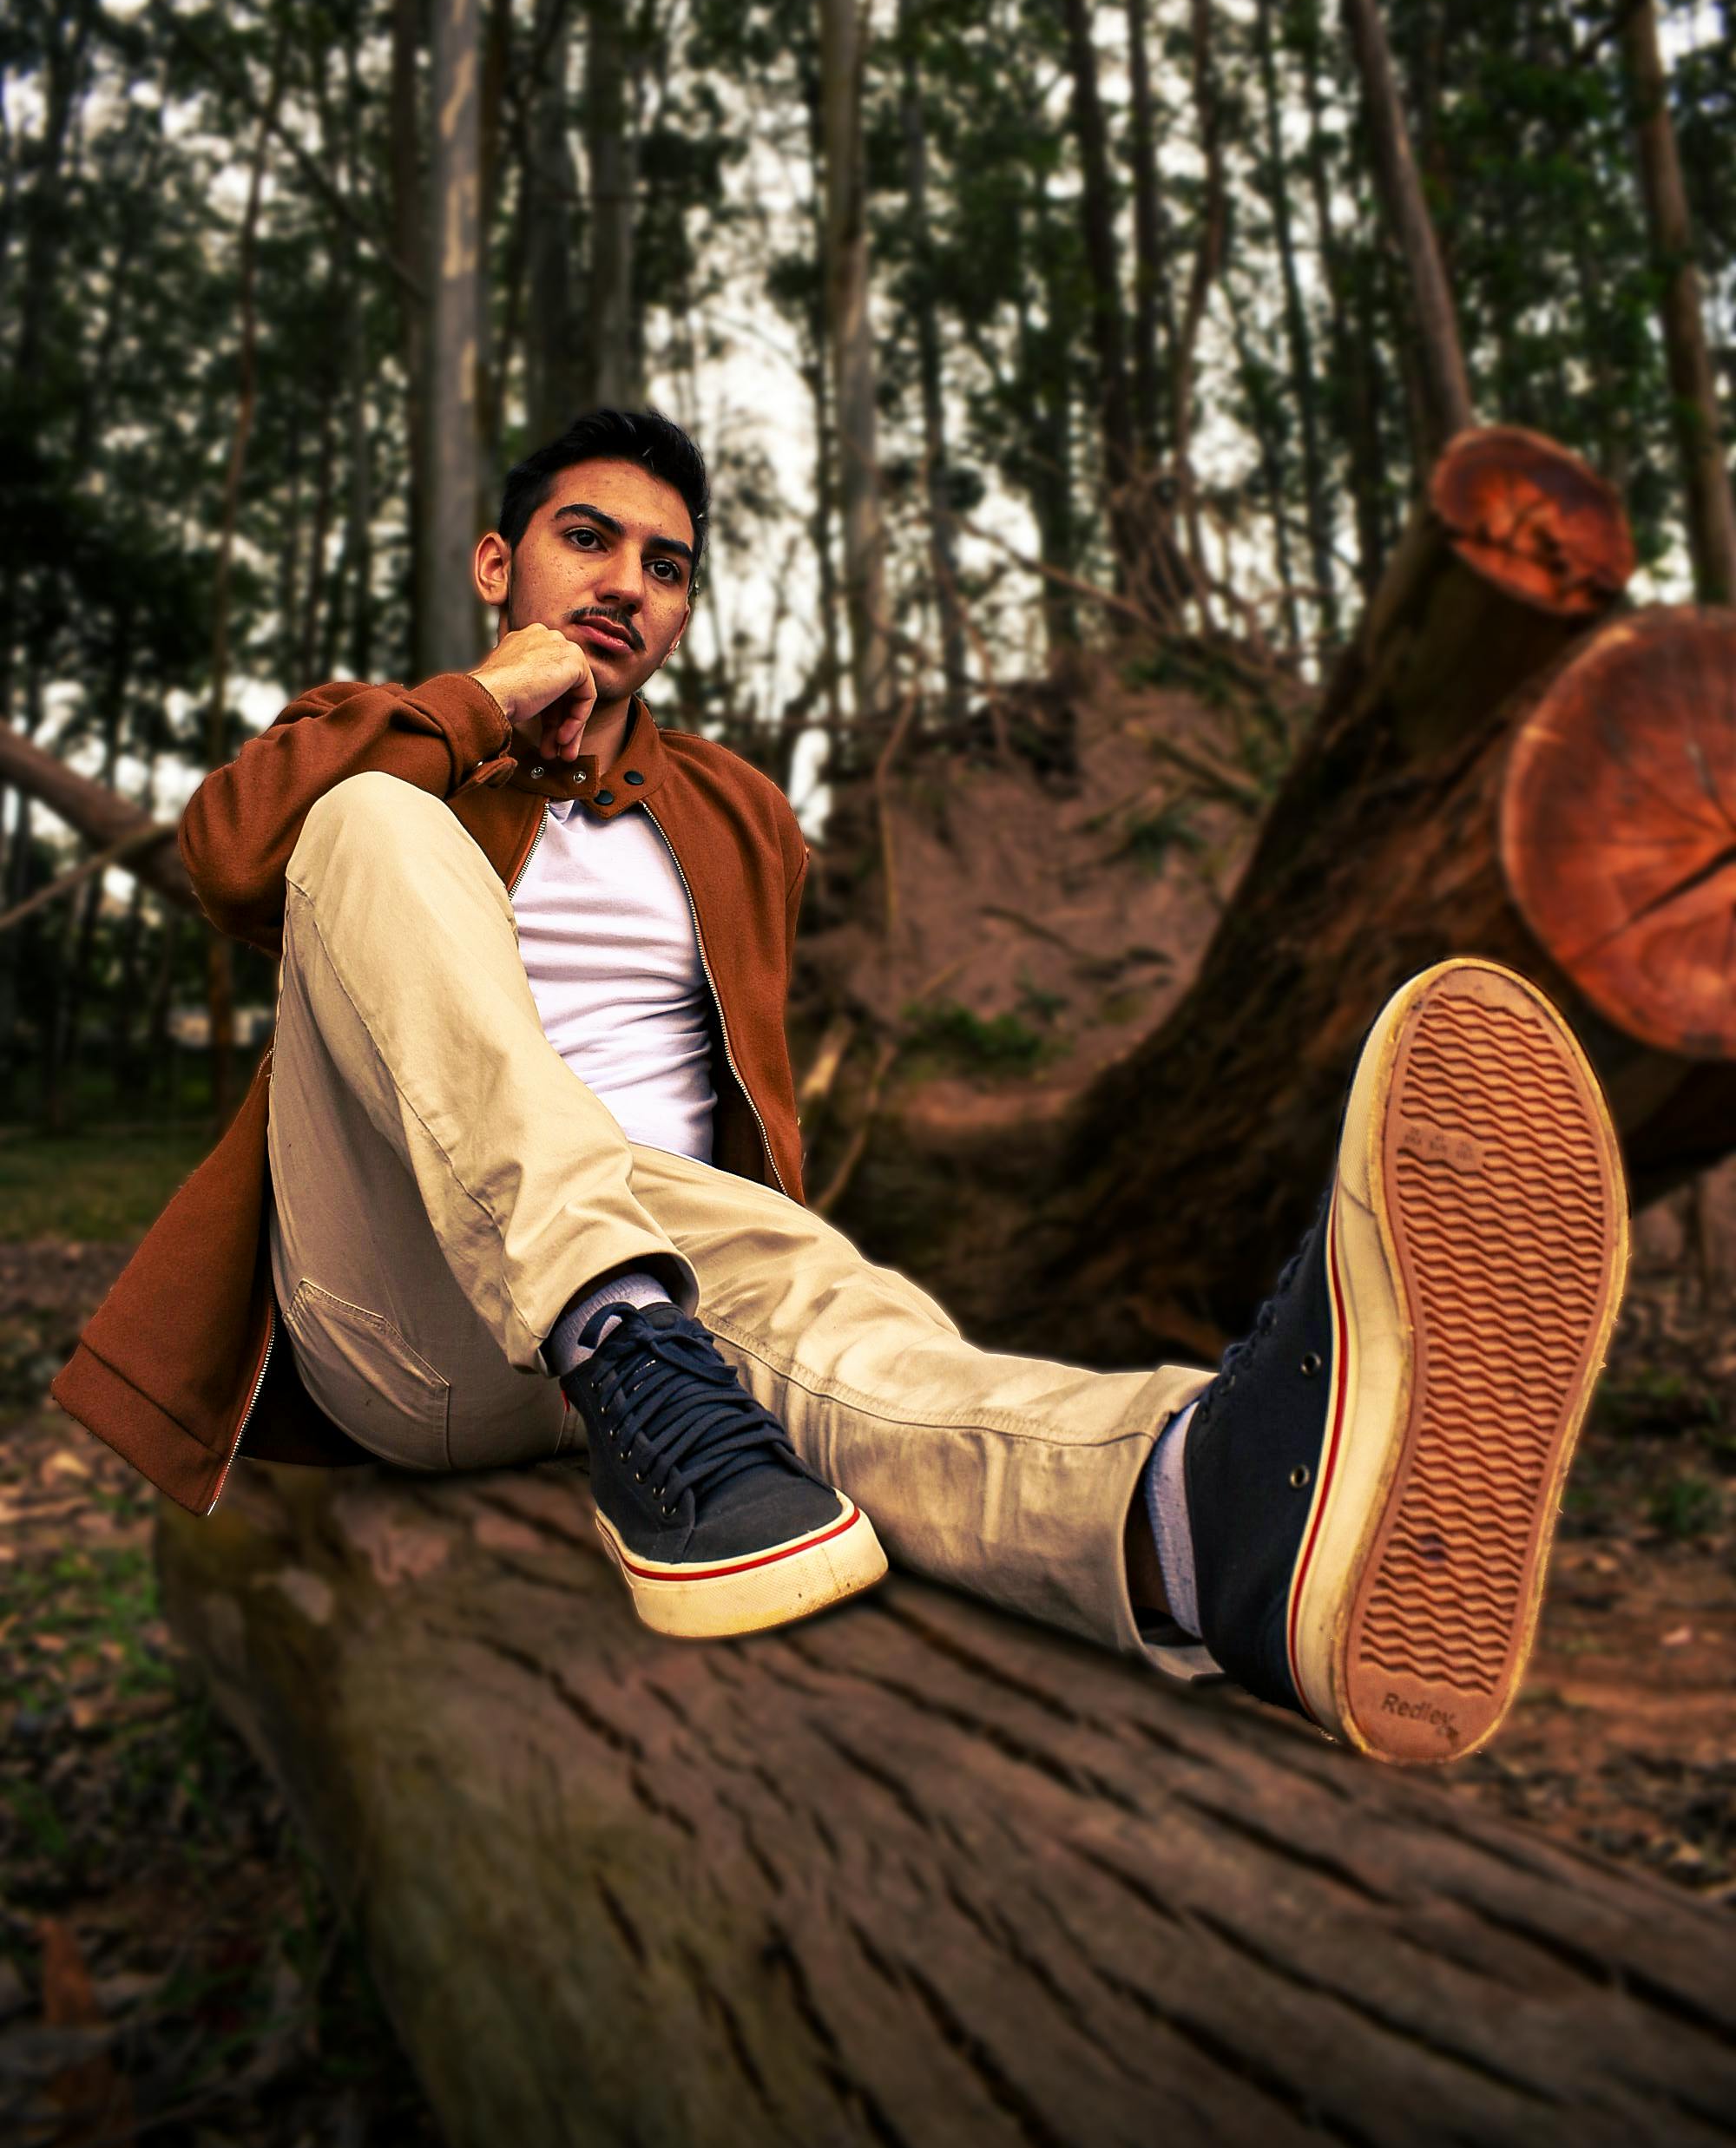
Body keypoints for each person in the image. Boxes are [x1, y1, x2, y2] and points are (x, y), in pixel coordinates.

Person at [55, 409, 1628, 1767]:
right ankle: (623, 1338)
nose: (622, 584)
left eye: (662, 566)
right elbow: (228, 854)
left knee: (864, 1341)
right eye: (584, 542)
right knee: (372, 829)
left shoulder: (734, 811)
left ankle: (1202, 1515)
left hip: (673, 1284)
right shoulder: (393, 745)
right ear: (497, 563)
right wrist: (481, 703)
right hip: (410, 1309)